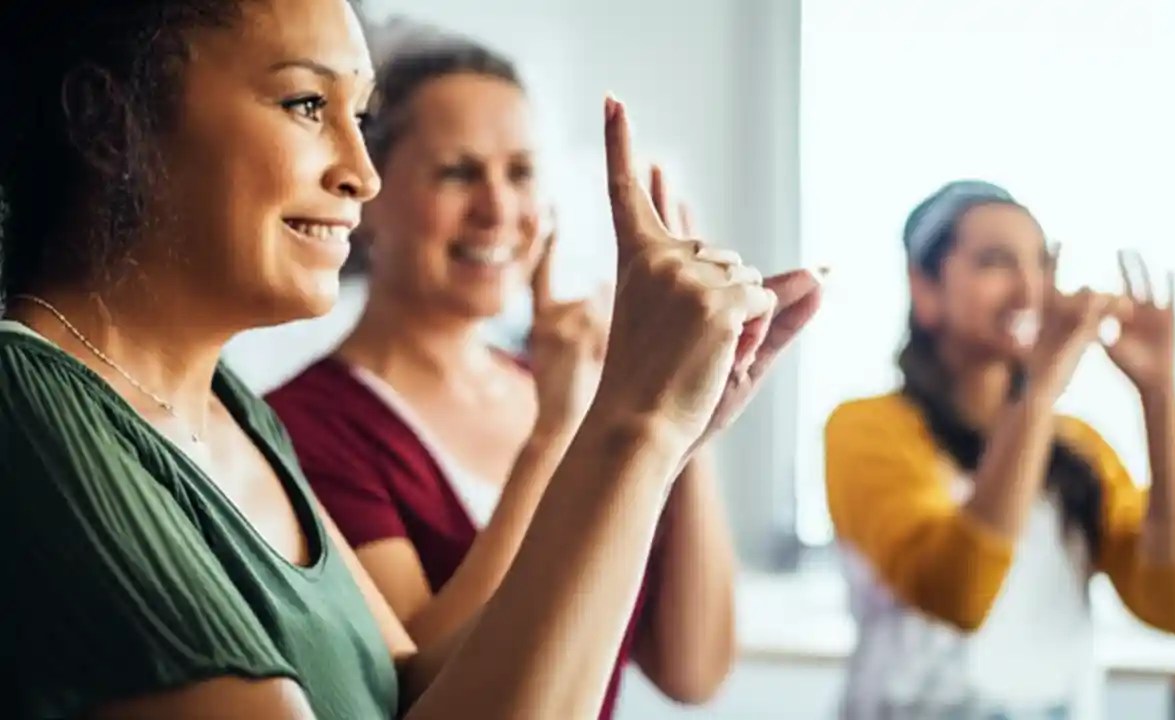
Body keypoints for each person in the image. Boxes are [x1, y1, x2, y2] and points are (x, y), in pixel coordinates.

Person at [0, 0, 824, 718]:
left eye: (359, 118)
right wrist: (634, 427)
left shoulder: (229, 408)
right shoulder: (27, 405)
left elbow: (417, 689)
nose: (360, 175)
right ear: (108, 121)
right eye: (305, 103)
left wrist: (665, 438)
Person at [265, 35, 737, 719]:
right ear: (369, 193)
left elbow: (691, 671)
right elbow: (415, 690)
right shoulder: (303, 427)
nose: (498, 209)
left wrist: (688, 410)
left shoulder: (588, 392)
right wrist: (553, 435)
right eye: (457, 173)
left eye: (520, 173)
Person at [824, 180, 1175, 719]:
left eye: (1041, 263)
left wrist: (1159, 395)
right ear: (924, 287)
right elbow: (959, 596)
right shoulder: (866, 429)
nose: (1030, 289)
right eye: (995, 263)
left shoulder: (1079, 448)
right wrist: (1039, 389)